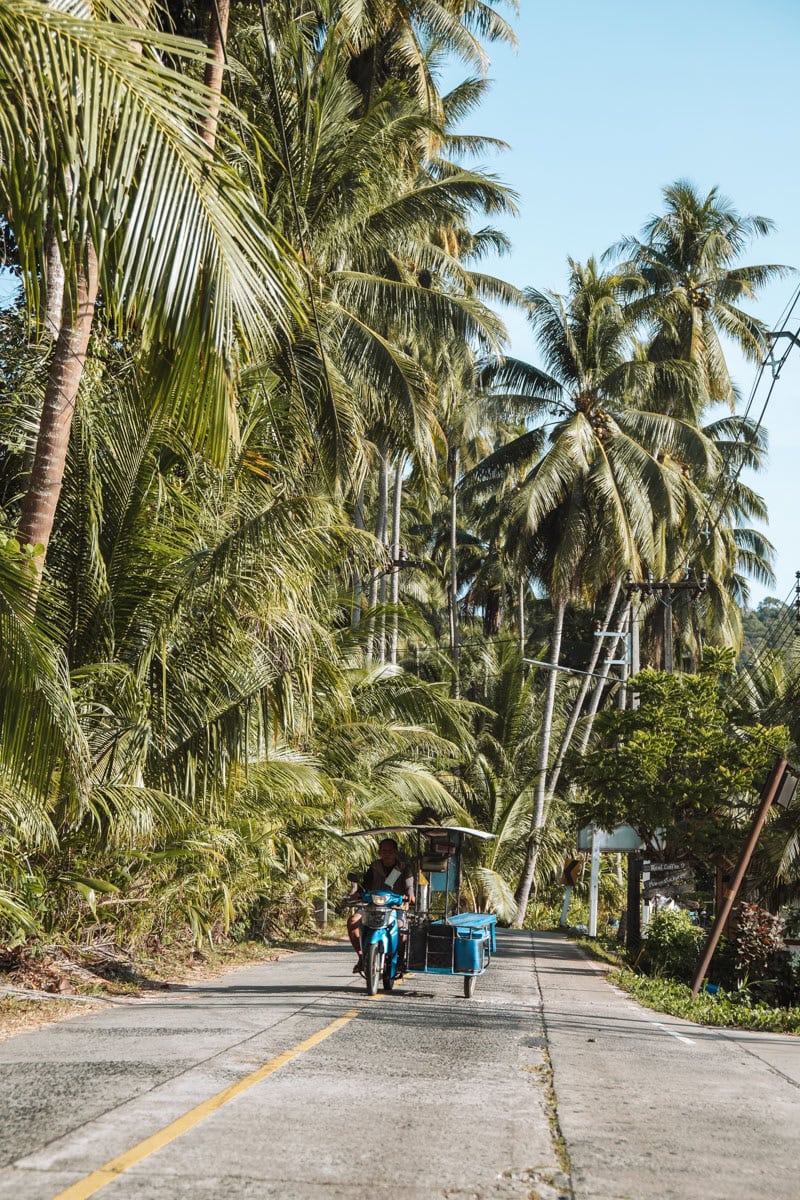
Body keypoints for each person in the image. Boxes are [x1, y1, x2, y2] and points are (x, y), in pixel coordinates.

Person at [347, 838, 415, 974]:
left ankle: (400, 961)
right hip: (371, 906)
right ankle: (362, 957)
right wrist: (357, 895)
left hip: (395, 908)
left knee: (401, 931)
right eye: (384, 851)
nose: (387, 854)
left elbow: (409, 887)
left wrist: (410, 896)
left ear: (395, 852)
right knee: (352, 921)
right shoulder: (374, 867)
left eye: (390, 851)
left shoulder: (403, 869)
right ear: (379, 852)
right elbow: (364, 887)